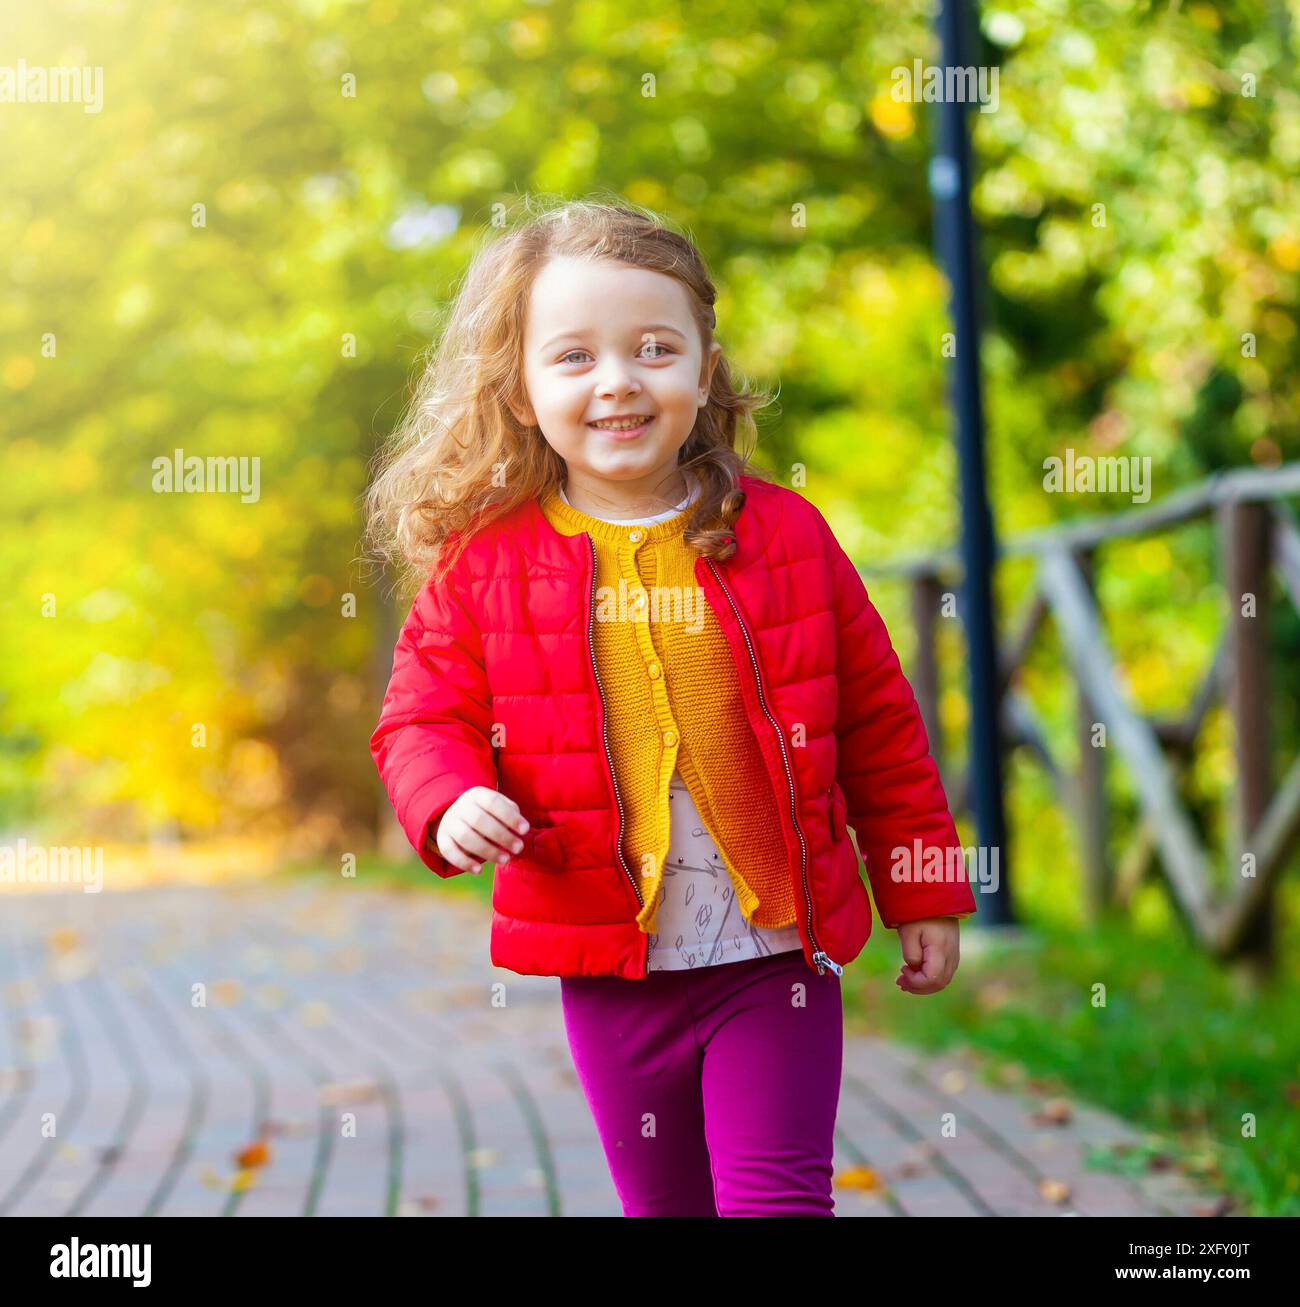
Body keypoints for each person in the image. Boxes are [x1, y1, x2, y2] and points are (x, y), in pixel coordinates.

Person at [366, 196, 977, 1217]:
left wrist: (920, 884)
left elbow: (877, 726)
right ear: (518, 387)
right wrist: (449, 797)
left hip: (774, 961)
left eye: (653, 348)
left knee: (777, 1200)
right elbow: (418, 718)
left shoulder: (784, 534)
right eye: (573, 357)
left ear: (703, 368)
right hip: (608, 965)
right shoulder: (488, 565)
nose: (617, 381)